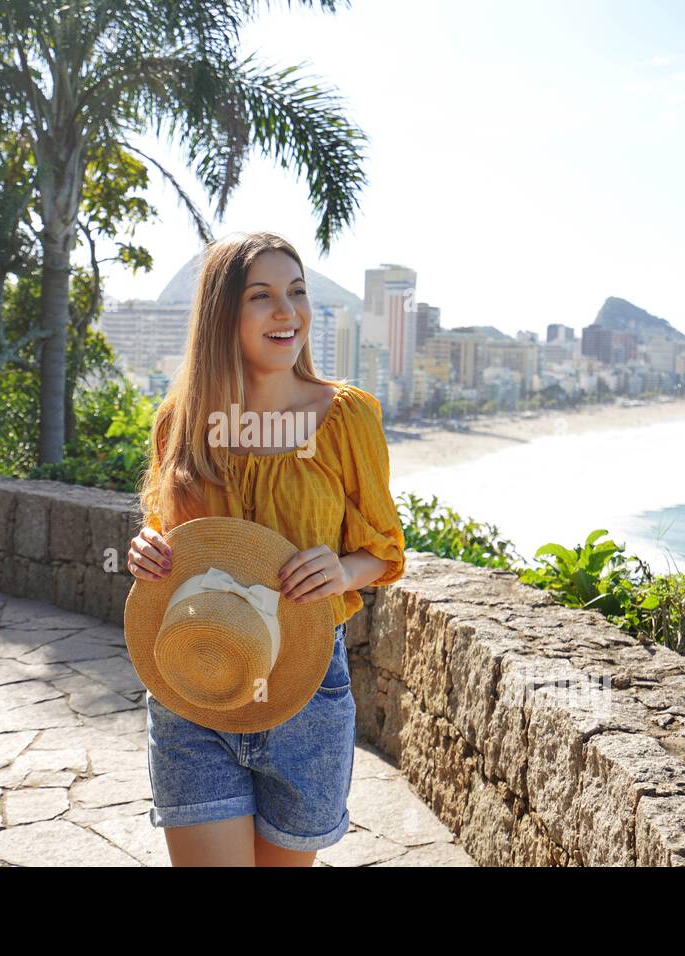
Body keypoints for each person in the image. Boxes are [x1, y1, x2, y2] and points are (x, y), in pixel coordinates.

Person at [126, 230, 406, 866]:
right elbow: (169, 540)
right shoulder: (183, 418)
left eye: (297, 292)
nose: (288, 312)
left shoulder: (346, 416)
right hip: (196, 679)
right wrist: (146, 551)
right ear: (224, 313)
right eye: (262, 296)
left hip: (306, 693)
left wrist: (341, 569)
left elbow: (383, 550)